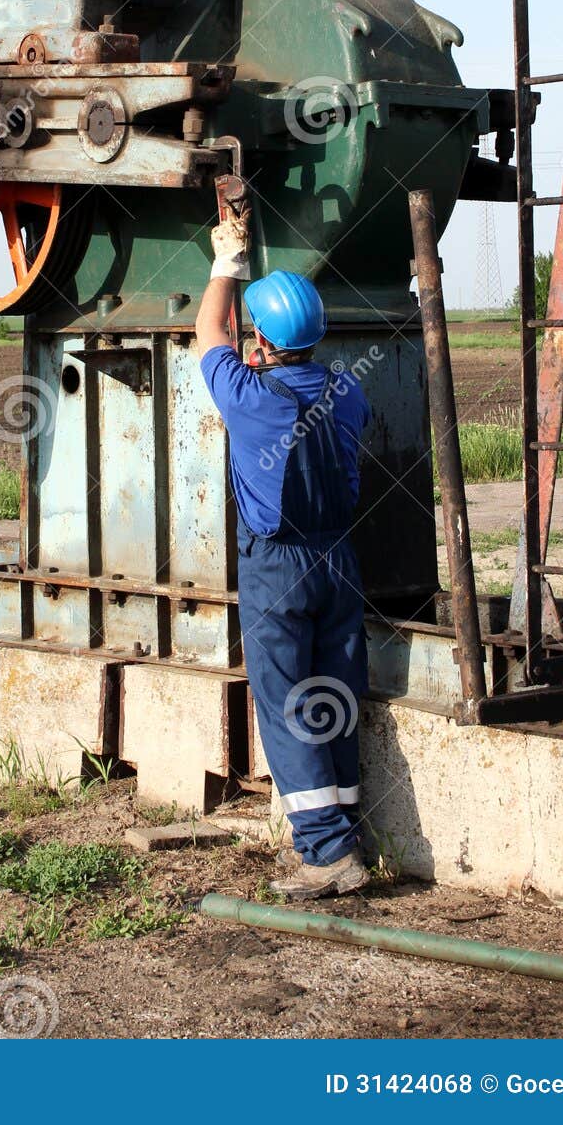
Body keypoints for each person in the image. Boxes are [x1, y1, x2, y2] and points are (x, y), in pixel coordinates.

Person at [196, 208, 372, 900]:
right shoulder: (347, 389)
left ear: (261, 342)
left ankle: (326, 853)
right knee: (336, 693)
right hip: (340, 562)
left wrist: (225, 262)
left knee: (288, 702)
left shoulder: (248, 395)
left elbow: (209, 334)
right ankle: (349, 830)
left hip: (279, 566)